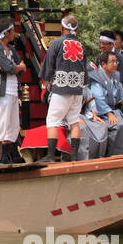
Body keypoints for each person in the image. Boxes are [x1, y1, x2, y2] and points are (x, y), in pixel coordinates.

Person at [39, 13, 87, 162]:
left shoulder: (57, 43)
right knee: (74, 121)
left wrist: (45, 86)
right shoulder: (81, 46)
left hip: (61, 88)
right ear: (76, 28)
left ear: (62, 28)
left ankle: (51, 156)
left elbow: (48, 67)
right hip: (78, 89)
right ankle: (73, 157)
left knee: (53, 121)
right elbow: (85, 72)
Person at [0, 18, 25, 166]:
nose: (15, 33)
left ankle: (6, 156)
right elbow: (12, 68)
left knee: (12, 124)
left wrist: (15, 67)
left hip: (13, 89)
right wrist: (15, 67)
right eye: (12, 31)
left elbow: (21, 68)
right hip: (2, 89)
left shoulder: (12, 49)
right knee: (1, 121)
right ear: (6, 32)